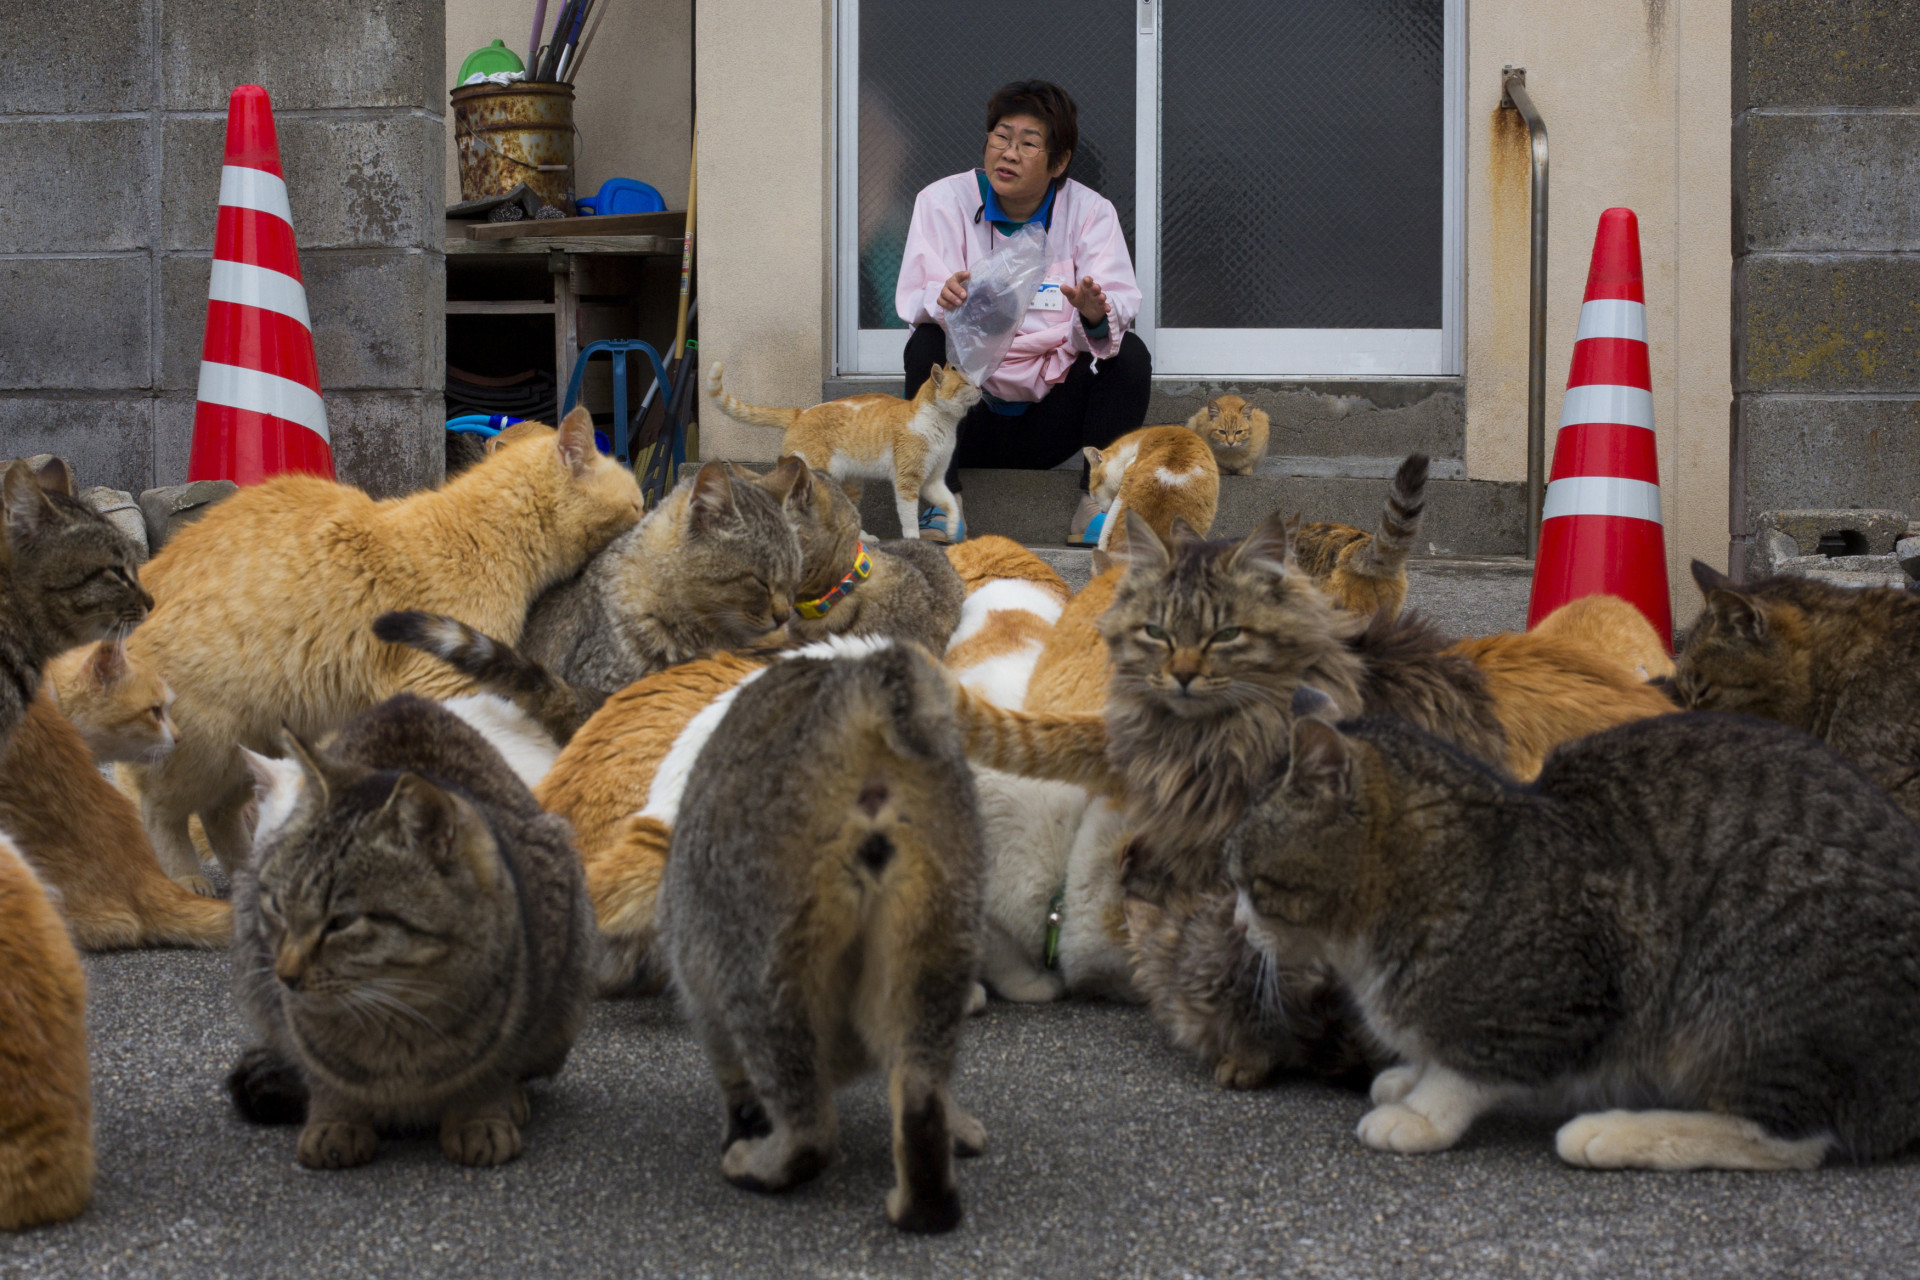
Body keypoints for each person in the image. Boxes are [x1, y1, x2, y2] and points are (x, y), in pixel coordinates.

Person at [896, 80, 1151, 544]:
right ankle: (941, 504)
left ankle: (1096, 506)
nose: (1008, 153)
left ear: (1058, 162)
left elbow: (1117, 301)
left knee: (1129, 355)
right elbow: (915, 294)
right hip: (967, 419)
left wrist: (1095, 314)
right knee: (926, 344)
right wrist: (943, 296)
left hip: (1051, 421)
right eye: (1001, 137)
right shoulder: (942, 201)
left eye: (1028, 143)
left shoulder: (1091, 212)